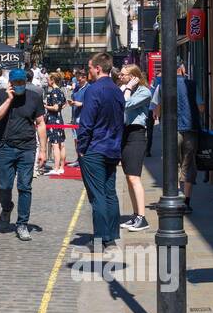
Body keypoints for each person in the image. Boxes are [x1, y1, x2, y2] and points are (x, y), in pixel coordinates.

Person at [75, 52, 125, 254]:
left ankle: (100, 238)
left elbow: (86, 123)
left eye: (89, 68)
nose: (88, 72)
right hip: (112, 147)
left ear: (97, 68)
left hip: (95, 148)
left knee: (97, 196)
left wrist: (81, 148)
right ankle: (112, 237)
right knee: (110, 192)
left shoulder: (93, 91)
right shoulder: (117, 90)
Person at [0, 67, 47, 242]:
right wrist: (9, 100)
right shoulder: (0, 95)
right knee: (4, 185)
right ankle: (7, 208)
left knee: (25, 187)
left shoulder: (34, 97)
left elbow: (41, 123)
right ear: (10, 83)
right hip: (6, 147)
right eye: (16, 83)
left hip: (27, 148)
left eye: (22, 82)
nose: (20, 85)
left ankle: (22, 224)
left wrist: (43, 150)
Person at [152, 61, 202, 212]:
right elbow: (201, 107)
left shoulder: (162, 86)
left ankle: (172, 197)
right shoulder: (192, 84)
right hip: (190, 128)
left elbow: (156, 109)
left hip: (171, 129)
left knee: (172, 163)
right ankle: (186, 201)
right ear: (182, 69)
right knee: (189, 164)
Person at [120, 64, 152, 231]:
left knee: (134, 177)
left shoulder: (144, 92)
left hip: (136, 135)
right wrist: (125, 88)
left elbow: (125, 104)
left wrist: (127, 88)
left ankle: (142, 217)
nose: (120, 77)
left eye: (124, 75)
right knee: (128, 177)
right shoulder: (125, 88)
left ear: (133, 77)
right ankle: (135, 215)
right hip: (125, 133)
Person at [44, 73, 67, 176]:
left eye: (48, 79)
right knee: (61, 144)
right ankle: (62, 167)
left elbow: (56, 107)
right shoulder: (61, 91)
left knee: (55, 144)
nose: (47, 81)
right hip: (59, 118)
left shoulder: (54, 92)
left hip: (53, 119)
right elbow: (64, 104)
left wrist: (45, 106)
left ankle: (56, 168)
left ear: (53, 80)